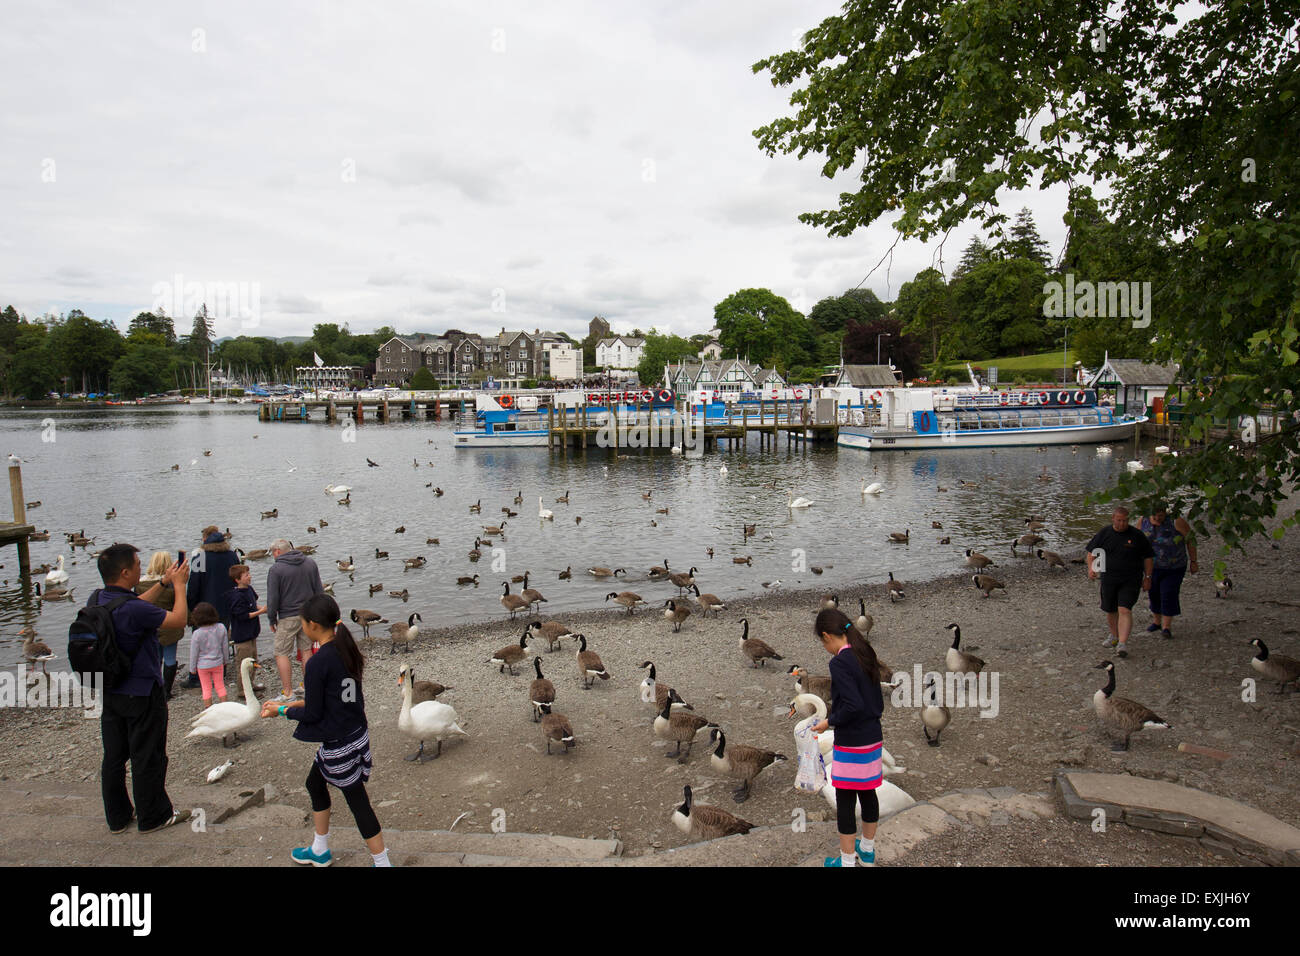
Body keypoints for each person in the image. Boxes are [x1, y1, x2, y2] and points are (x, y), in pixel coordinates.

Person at [260, 594, 389, 867]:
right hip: (356, 734)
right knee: (314, 783)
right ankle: (319, 849)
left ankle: (382, 863)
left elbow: (314, 713)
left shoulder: (318, 663)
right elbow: (340, 698)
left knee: (357, 801)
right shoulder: (347, 651)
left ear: (313, 625)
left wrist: (281, 711)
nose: (302, 628)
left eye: (303, 623)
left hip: (339, 743)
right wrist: (294, 702)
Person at [96, 543, 190, 834]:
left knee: (113, 756)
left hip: (110, 689)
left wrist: (162, 582)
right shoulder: (135, 609)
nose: (141, 567)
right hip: (142, 690)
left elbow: (135, 604)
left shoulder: (98, 599)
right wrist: (179, 586)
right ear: (125, 572)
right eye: (137, 564)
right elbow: (179, 619)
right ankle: (154, 816)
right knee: (147, 754)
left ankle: (118, 817)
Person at [809, 607, 883, 867]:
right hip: (874, 737)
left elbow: (852, 705)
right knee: (868, 793)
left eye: (822, 642)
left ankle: (847, 861)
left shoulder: (839, 662)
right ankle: (868, 851)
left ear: (827, 636)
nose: (825, 647)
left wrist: (829, 722)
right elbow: (873, 701)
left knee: (845, 801)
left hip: (853, 742)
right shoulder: (866, 653)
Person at [1086, 505, 1155, 659]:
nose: (1122, 523)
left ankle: (1122, 643)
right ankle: (1114, 635)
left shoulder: (1137, 535)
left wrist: (1148, 577)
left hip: (1131, 579)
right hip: (1109, 578)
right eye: (1119, 520)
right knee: (1110, 609)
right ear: (1113, 519)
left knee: (1125, 609)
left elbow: (1148, 557)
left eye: (1125, 520)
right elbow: (1091, 553)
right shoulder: (1104, 533)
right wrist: (1091, 568)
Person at [180, 526, 240, 689]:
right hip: (227, 603)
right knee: (222, 638)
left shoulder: (200, 556)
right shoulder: (231, 555)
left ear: (205, 539)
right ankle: (222, 671)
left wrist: (191, 606)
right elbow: (237, 577)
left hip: (205, 605)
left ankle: (196, 677)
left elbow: (194, 584)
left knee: (199, 642)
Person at [266, 539, 324, 703]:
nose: (273, 556)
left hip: (287, 616)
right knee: (306, 650)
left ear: (277, 551)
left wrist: (271, 618)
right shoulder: (310, 563)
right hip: (308, 614)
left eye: (272, 553)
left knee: (281, 652)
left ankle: (288, 692)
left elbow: (273, 598)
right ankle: (307, 687)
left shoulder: (276, 569)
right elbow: (318, 589)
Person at [1140, 504, 1197, 639]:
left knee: (1168, 593)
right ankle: (1157, 621)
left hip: (1174, 566)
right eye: (1155, 515)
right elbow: (1137, 540)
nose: (1158, 518)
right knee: (1154, 593)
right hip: (1151, 566)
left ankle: (1166, 626)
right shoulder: (1143, 521)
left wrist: (1194, 561)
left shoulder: (1176, 521)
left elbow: (1191, 540)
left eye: (1161, 515)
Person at [135, 550, 185, 699]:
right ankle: (166, 691)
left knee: (154, 658)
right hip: (169, 625)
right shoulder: (172, 585)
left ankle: (154, 687)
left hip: (150, 627)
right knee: (170, 658)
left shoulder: (140, 584)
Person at [226, 564, 268, 701]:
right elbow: (243, 615)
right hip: (242, 635)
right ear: (238, 580)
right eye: (246, 575)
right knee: (244, 663)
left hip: (252, 632)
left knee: (253, 659)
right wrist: (261, 612)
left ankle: (251, 684)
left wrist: (263, 608)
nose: (249, 577)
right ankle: (243, 690)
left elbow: (253, 604)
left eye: (249, 574)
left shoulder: (249, 589)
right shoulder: (236, 597)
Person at [188, 602, 230, 706]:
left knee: (206, 688)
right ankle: (224, 707)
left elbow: (194, 653)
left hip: (203, 666)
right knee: (220, 686)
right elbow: (225, 646)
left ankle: (208, 709)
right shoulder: (221, 627)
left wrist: (192, 668)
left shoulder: (197, 634)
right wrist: (226, 660)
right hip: (218, 663)